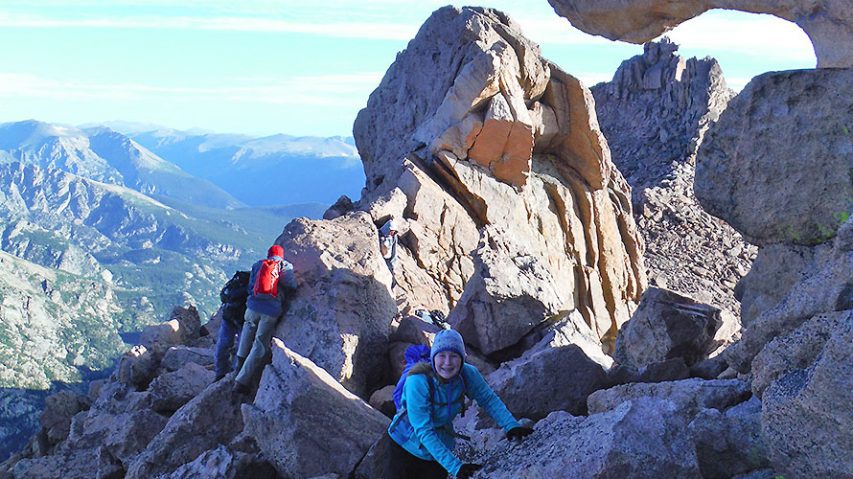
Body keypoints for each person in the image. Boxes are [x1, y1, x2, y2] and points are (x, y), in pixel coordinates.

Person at [385, 329, 533, 479]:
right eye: (442, 356)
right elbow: (423, 429)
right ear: (433, 358)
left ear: (462, 358)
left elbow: (488, 400)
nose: (447, 363)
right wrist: (455, 467)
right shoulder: (418, 381)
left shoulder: (468, 374)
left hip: (439, 443)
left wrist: (511, 425)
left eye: (454, 356)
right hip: (405, 445)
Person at [233, 244, 297, 394]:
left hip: (252, 308)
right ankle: (242, 381)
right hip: (270, 311)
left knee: (246, 337)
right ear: (281, 255)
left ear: (269, 254)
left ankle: (238, 367)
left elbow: (250, 288)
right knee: (259, 345)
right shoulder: (284, 266)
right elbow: (293, 285)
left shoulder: (258, 265)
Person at [214, 270, 250, 381]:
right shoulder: (250, 286)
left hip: (227, 317)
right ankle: (235, 372)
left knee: (223, 344)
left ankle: (220, 372)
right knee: (241, 346)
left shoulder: (233, 284)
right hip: (241, 320)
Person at [378, 218, 398, 287]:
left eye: (393, 231)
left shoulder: (393, 237)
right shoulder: (380, 235)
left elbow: (394, 249)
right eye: (391, 231)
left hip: (389, 260)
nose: (392, 233)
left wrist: (393, 262)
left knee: (393, 280)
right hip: (382, 259)